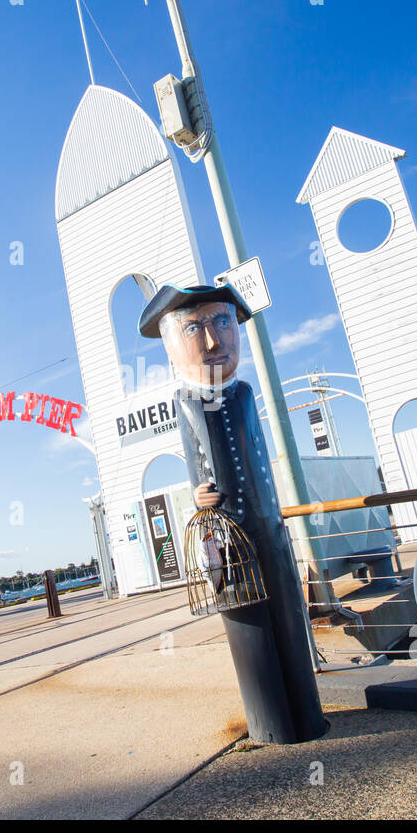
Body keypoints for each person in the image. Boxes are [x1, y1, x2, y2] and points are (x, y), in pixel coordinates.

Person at [139, 283, 327, 743]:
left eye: (222, 321)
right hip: (227, 536)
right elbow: (197, 464)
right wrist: (199, 496)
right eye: (193, 328)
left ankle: (307, 714)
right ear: (170, 345)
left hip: (268, 526)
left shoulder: (242, 393)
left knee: (287, 618)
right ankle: (272, 723)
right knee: (253, 633)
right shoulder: (186, 401)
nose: (211, 341)